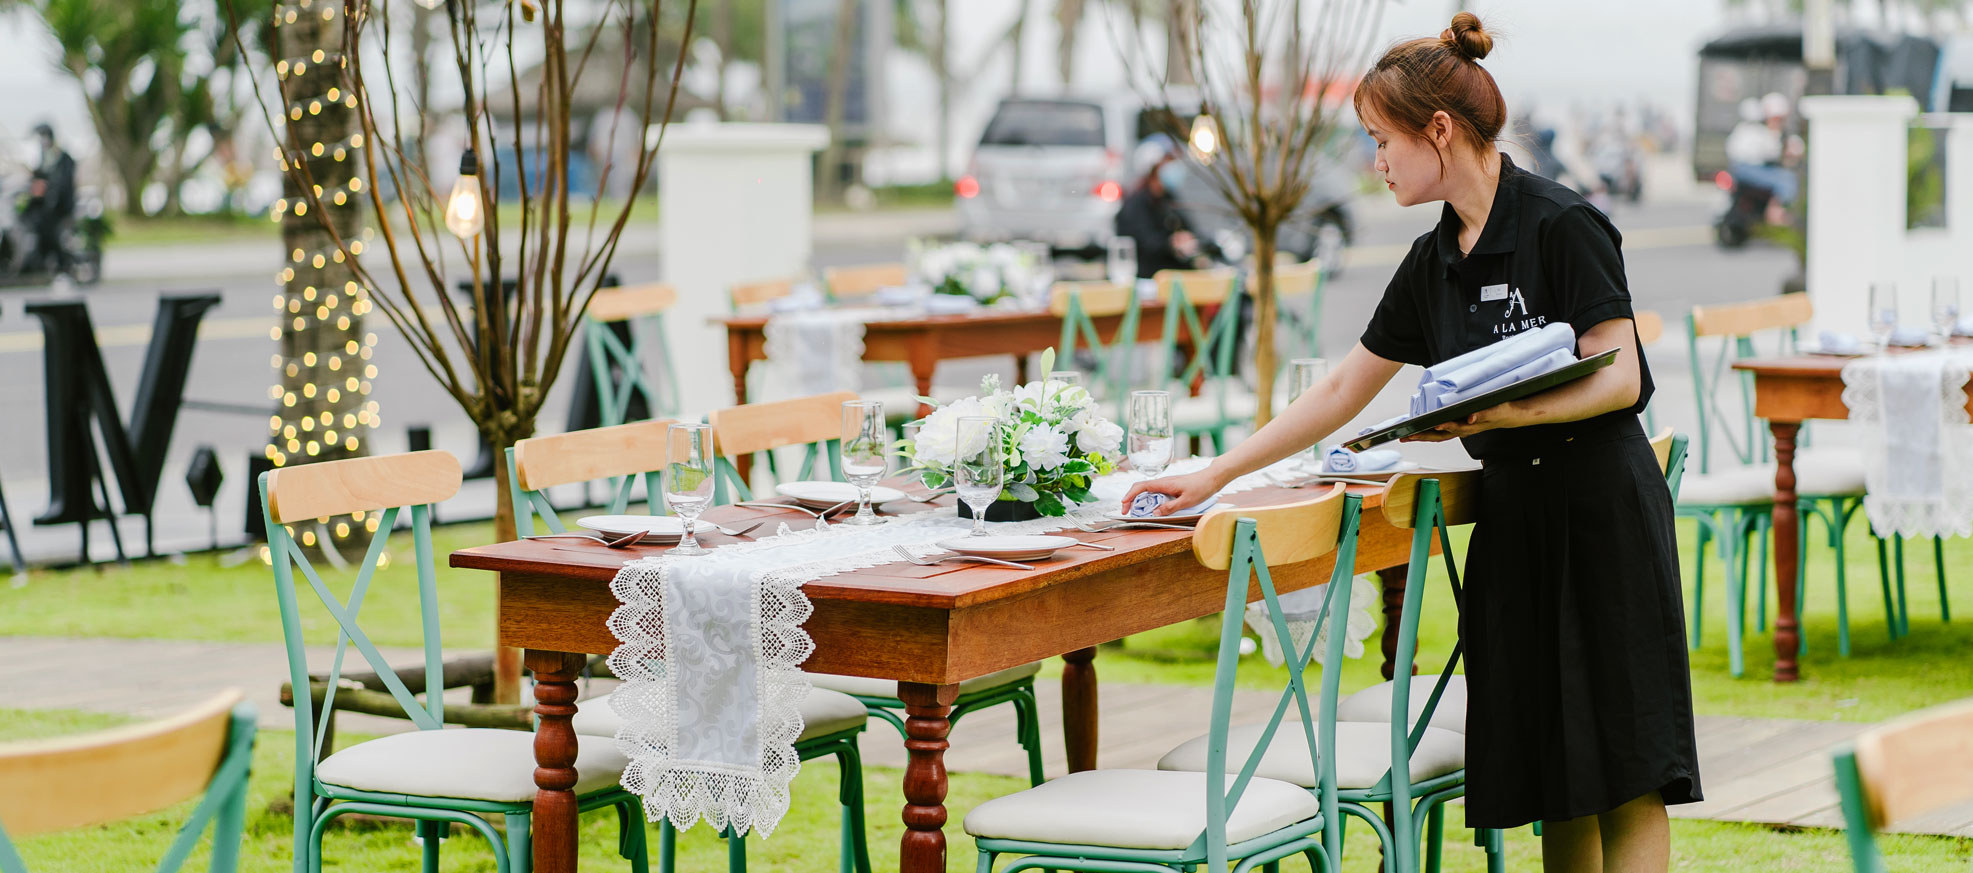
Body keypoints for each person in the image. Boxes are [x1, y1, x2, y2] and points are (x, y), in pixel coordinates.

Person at [1123, 13, 1699, 873]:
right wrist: (1212, 475)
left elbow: (1618, 379)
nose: (1374, 161)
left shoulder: (1560, 222)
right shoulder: (1431, 260)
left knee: (1626, 768)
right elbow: (1338, 390)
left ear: (1438, 130)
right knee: (1552, 771)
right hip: (1513, 528)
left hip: (1600, 518)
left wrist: (1498, 419)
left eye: (1380, 139)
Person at [1113, 134, 1206, 279]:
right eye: (1169, 160)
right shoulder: (1136, 205)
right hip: (1149, 280)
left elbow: (1190, 229)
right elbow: (1144, 243)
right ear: (1153, 167)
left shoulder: (1169, 200)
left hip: (1175, 278)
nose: (1175, 165)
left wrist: (1187, 240)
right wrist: (1170, 244)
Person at [1724, 92, 1801, 224]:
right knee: (1787, 180)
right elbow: (1771, 152)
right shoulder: (1756, 130)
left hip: (1745, 168)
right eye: (1776, 118)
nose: (1777, 121)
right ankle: (1775, 212)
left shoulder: (1760, 130)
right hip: (1748, 168)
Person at [23, 123, 77, 275]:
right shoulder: (44, 157)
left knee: (49, 229)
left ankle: (62, 265)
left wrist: (49, 189)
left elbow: (63, 184)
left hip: (60, 207)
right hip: (46, 205)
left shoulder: (63, 158)